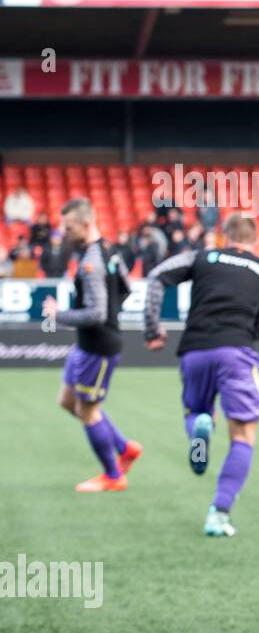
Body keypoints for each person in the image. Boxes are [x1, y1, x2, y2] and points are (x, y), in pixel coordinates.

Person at [143, 213, 259, 537]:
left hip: (195, 350)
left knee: (196, 411)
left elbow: (157, 276)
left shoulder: (203, 257)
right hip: (236, 352)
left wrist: (152, 328)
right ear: (254, 240)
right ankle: (219, 512)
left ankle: (200, 429)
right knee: (243, 435)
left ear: (224, 235)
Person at [41, 199, 140, 493]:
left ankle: (113, 476)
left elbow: (96, 314)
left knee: (88, 411)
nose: (64, 232)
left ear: (85, 225)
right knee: (67, 401)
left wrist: (58, 315)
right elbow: (126, 287)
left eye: (68, 227)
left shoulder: (91, 262)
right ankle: (124, 448)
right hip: (86, 345)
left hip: (99, 347)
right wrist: (112, 310)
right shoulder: (110, 251)